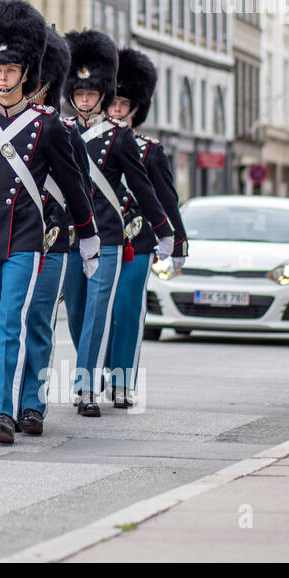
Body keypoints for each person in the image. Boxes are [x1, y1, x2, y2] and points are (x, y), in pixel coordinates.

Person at [0, 0, 99, 444]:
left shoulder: (49, 127)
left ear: (25, 72)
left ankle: (8, 411)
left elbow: (74, 187)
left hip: (28, 238)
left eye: (10, 70)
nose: (1, 77)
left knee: (17, 321)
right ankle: (22, 402)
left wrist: (87, 236)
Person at [60, 30, 174, 416]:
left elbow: (144, 189)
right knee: (76, 312)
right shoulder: (59, 131)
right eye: (80, 94)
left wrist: (165, 230)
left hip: (108, 236)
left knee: (97, 312)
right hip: (71, 238)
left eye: (92, 94)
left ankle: (86, 387)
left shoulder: (119, 139)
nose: (86, 99)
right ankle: (90, 369)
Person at [103, 48, 188, 408]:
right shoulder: (88, 143)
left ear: (136, 108)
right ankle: (97, 370)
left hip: (136, 241)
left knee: (127, 309)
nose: (118, 110)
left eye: (124, 104)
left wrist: (178, 243)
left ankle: (123, 381)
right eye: (114, 103)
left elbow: (167, 199)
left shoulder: (150, 150)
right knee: (93, 312)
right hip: (97, 238)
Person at [12, 28, 81, 434]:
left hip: (50, 238)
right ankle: (5, 399)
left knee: (37, 320)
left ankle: (32, 403)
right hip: (4, 240)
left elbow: (78, 188)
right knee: (5, 324)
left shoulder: (62, 129)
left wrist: (85, 237)